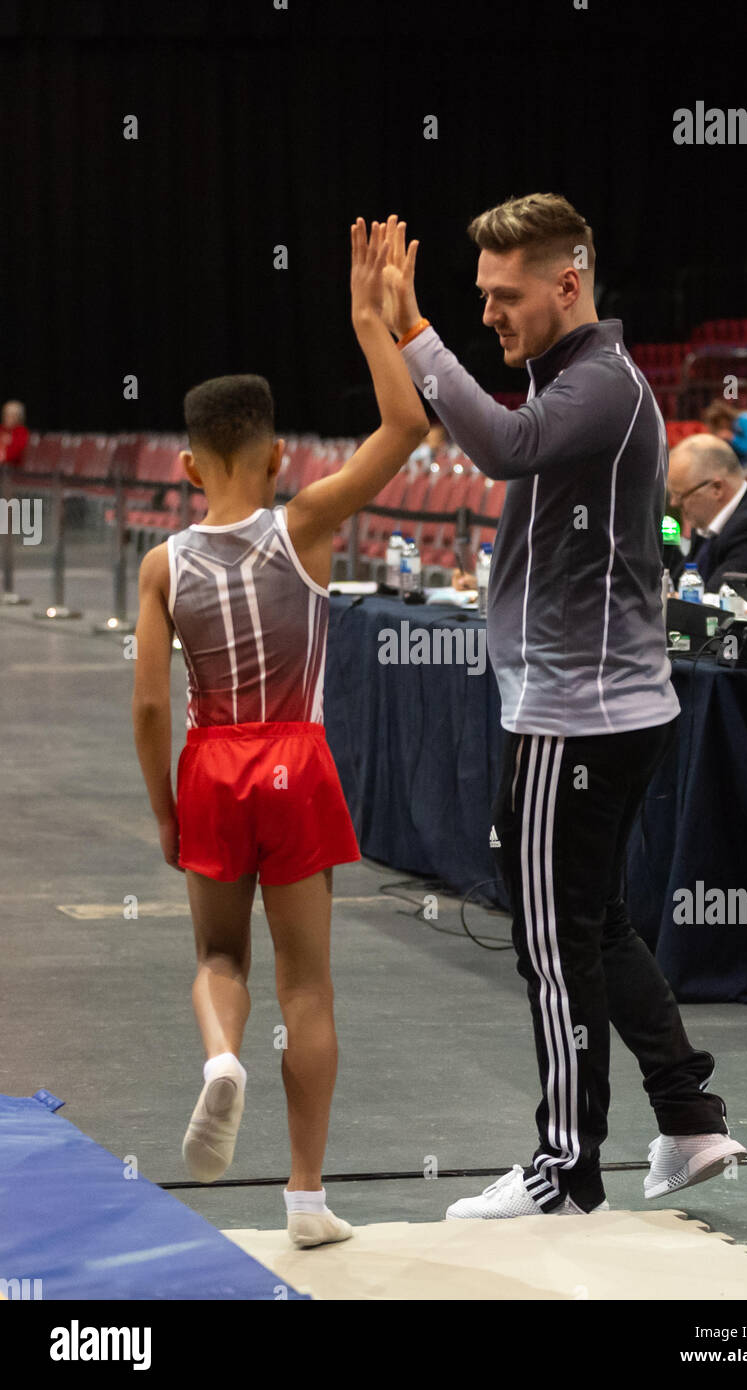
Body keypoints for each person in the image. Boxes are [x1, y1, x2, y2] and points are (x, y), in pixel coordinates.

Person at [380, 196, 744, 1222]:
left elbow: (494, 444)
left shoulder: (598, 387)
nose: (489, 313)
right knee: (591, 922)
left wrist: (411, 330)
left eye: (505, 295)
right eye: (479, 298)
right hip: (594, 702)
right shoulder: (577, 383)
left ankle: (563, 1169)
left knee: (549, 937)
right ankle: (688, 1115)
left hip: (574, 715)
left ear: (568, 282)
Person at [132, 219, 428, 1250]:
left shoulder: (163, 564)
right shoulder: (305, 521)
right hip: (296, 758)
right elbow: (406, 429)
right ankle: (306, 1198)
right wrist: (368, 322)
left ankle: (221, 1059)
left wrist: (168, 812)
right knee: (308, 983)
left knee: (220, 952)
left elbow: (147, 706)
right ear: (274, 457)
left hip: (210, 763)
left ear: (182, 463)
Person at [667, 434, 747, 591]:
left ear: (717, 488)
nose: (674, 503)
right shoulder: (706, 524)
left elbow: (718, 598)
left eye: (681, 496)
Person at [701, 399, 747, 468]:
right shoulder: (718, 432)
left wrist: (732, 438)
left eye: (719, 421)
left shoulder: (744, 422)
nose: (719, 427)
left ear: (725, 417)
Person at [0, 400, 29, 468]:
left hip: (12, 470)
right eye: (6, 414)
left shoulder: (21, 432)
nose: (8, 418)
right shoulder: (1, 429)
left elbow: (17, 453)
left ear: (19, 417)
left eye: (12, 415)